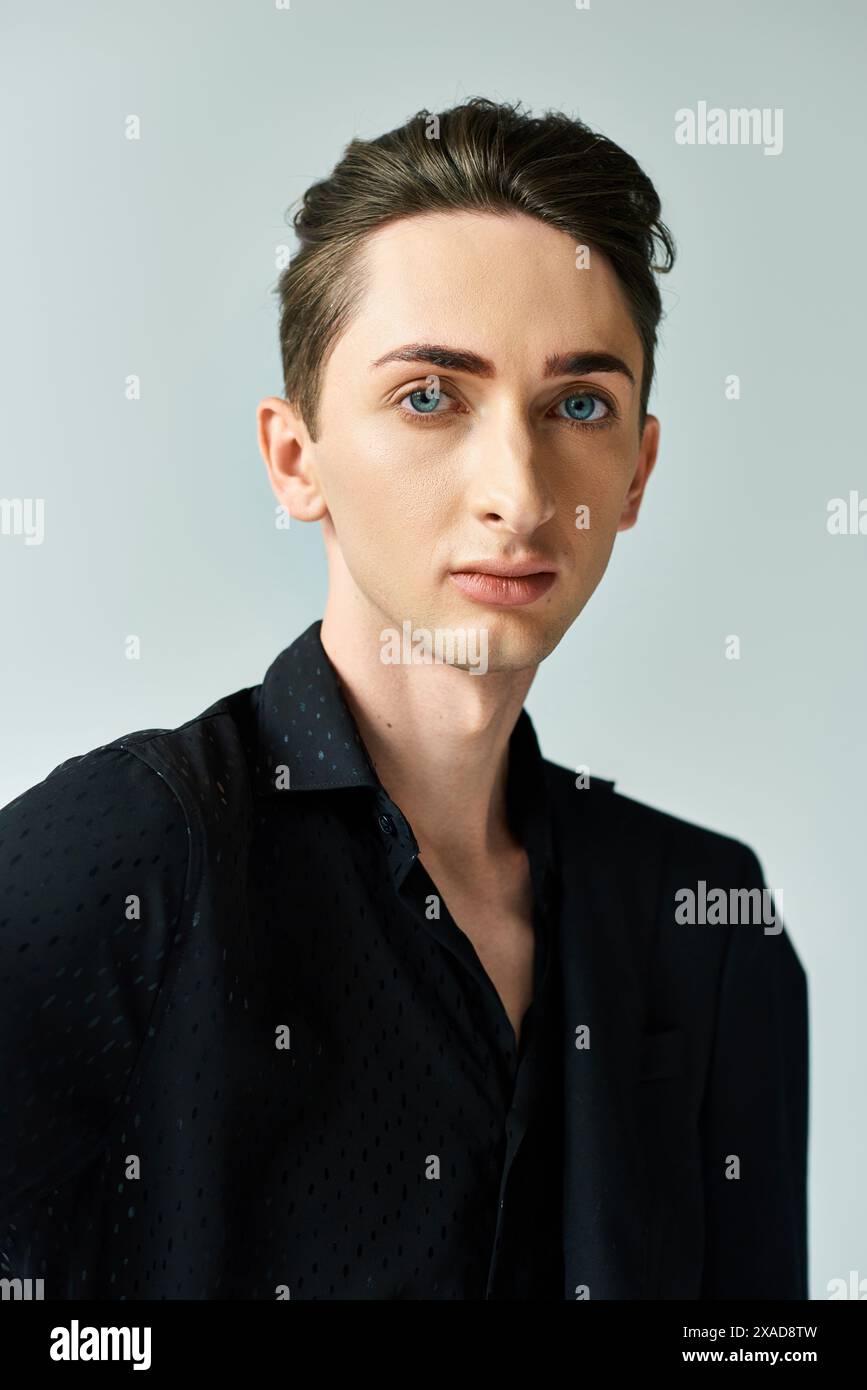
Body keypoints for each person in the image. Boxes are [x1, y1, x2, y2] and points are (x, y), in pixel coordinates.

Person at [0, 97, 807, 1301]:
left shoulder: (709, 924)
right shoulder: (125, 855)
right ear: (296, 458)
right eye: (430, 394)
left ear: (637, 468)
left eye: (578, 403)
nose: (518, 491)